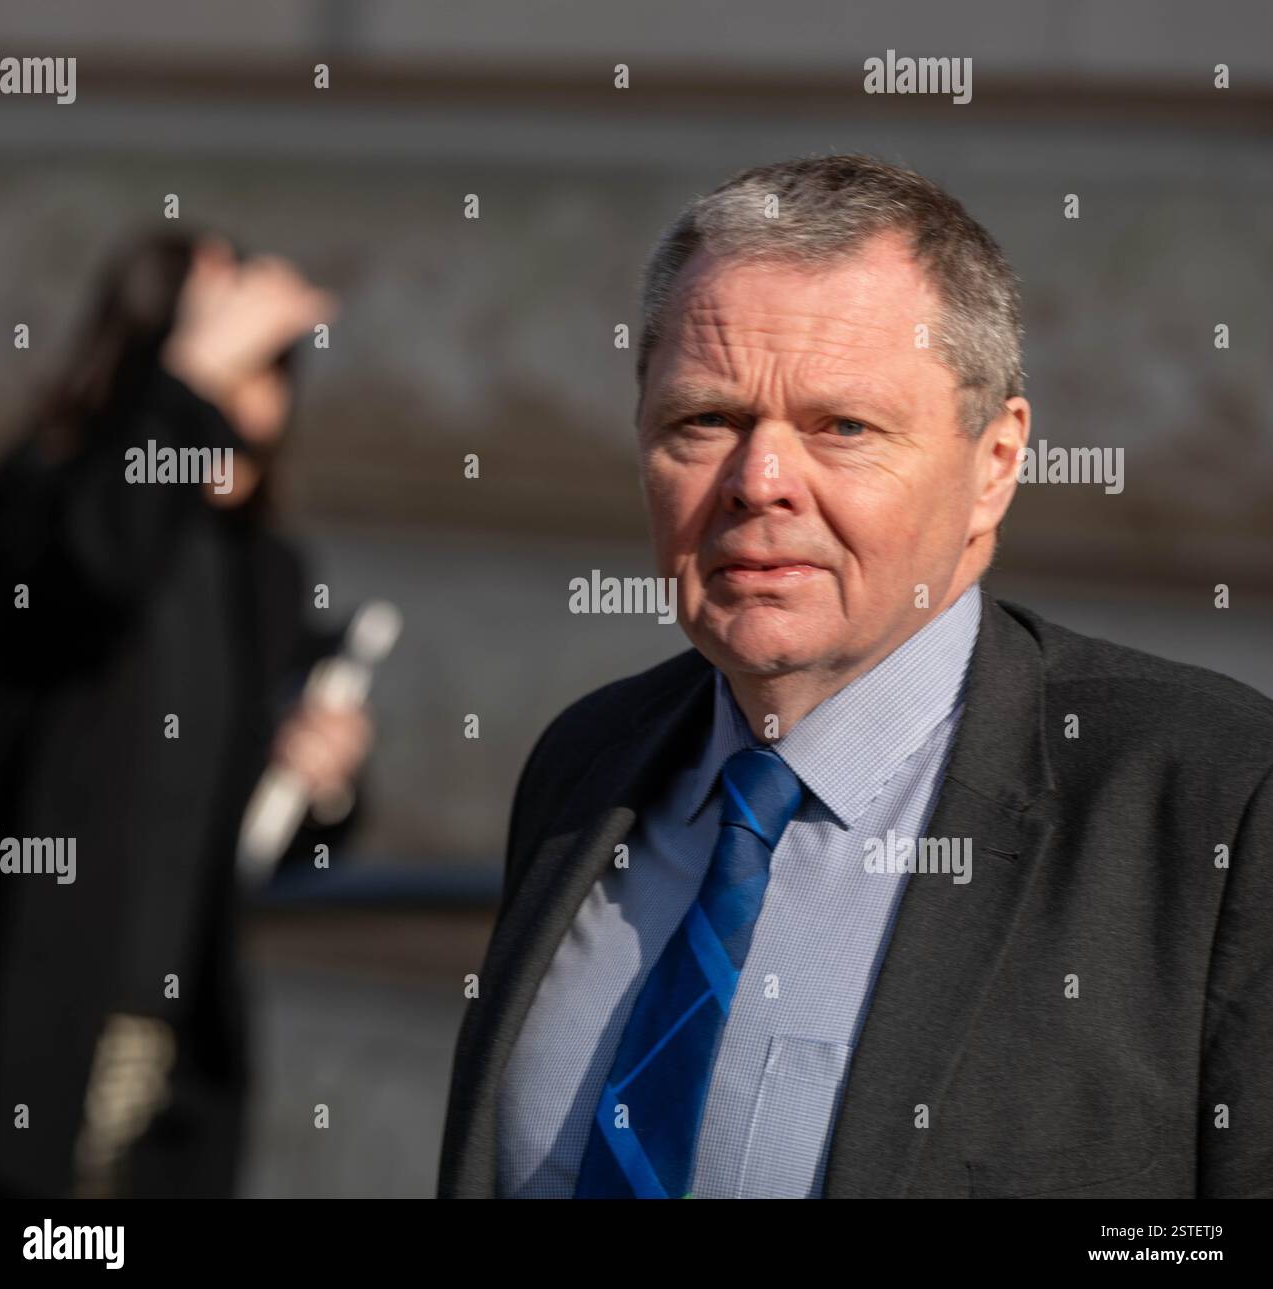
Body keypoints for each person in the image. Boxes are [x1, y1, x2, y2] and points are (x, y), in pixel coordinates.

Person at [438, 154, 1273, 1199]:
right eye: (706, 420)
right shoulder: (585, 762)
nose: (759, 483)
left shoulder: (1215, 802)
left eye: (843, 427)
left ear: (994, 463)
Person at [0, 229, 372, 1198]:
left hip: (175, 1055)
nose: (248, 410)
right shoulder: (36, 509)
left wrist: (320, 786)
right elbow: (97, 560)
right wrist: (192, 372)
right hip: (16, 1033)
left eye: (270, 374)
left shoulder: (264, 574)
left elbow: (276, 846)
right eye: (223, 371)